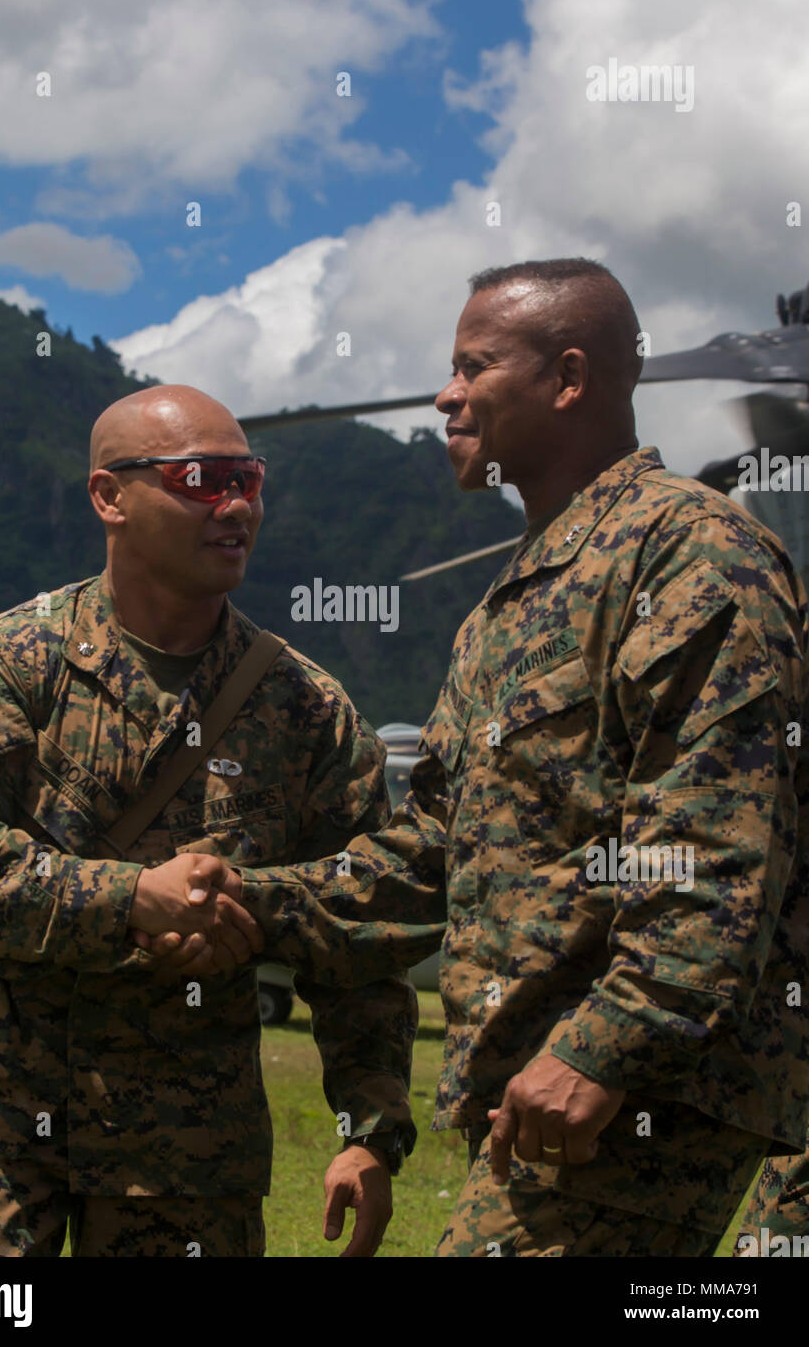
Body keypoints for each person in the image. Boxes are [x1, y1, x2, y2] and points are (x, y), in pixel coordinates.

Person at [145, 260, 809, 1257]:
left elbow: (712, 850)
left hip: (642, 1095)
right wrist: (245, 897)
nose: (447, 395)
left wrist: (603, 1047)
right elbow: (432, 857)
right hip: (545, 1101)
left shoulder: (692, 556)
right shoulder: (513, 604)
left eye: (472, 366)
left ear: (569, 378)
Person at [0, 384, 419, 1257]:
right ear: (110, 497)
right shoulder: (9, 666)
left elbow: (362, 933)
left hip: (187, 1161)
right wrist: (137, 899)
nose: (235, 504)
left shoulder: (307, 709)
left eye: (249, 477)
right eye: (200, 478)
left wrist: (371, 1129)